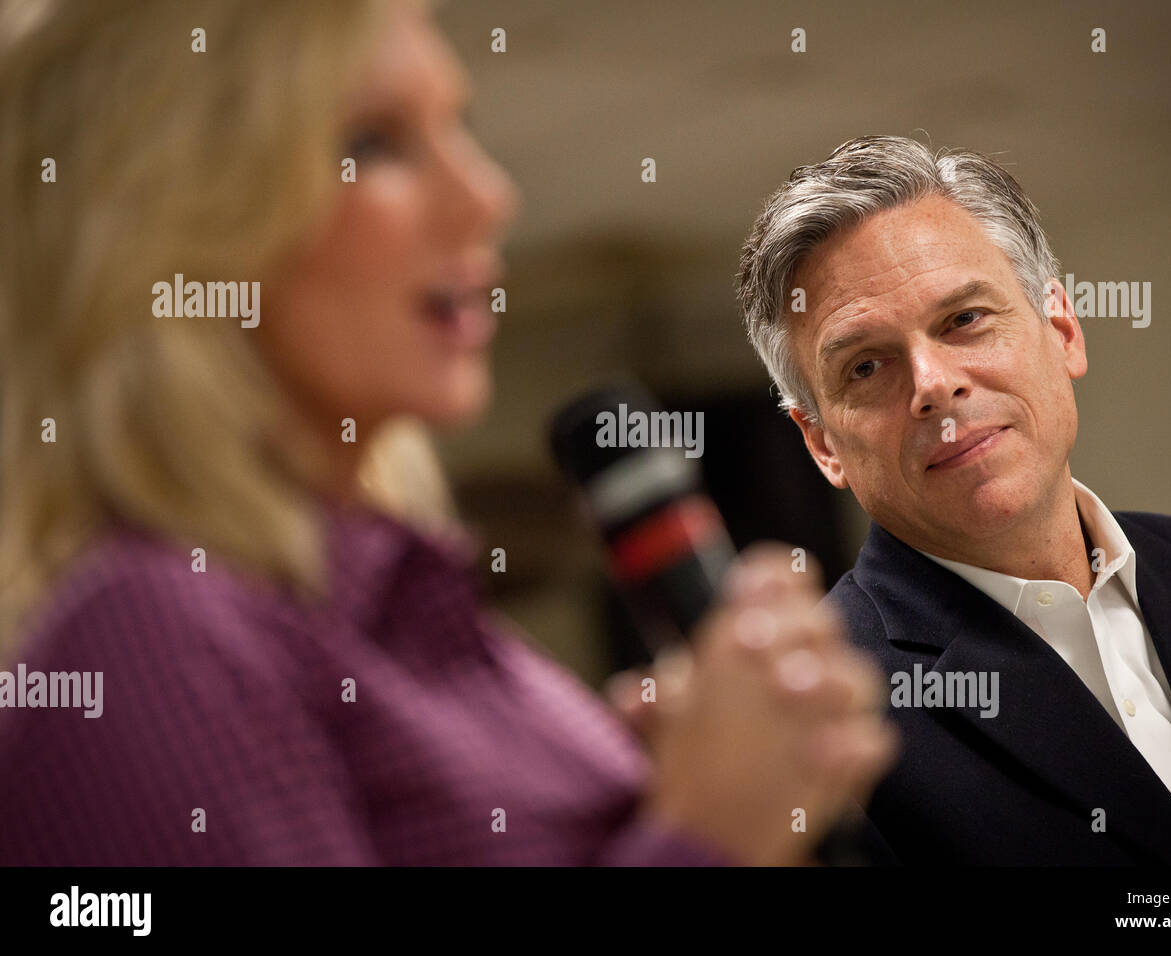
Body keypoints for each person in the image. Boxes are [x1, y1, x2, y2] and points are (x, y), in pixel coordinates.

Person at [0, 0, 898, 866]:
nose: (485, 195)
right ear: (173, 224)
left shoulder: (442, 635)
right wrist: (710, 832)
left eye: (455, 127)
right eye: (373, 143)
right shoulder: (148, 632)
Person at [737, 134, 1171, 865]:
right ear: (821, 444)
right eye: (866, 365)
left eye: (963, 319)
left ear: (1061, 329)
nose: (933, 384)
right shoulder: (816, 732)